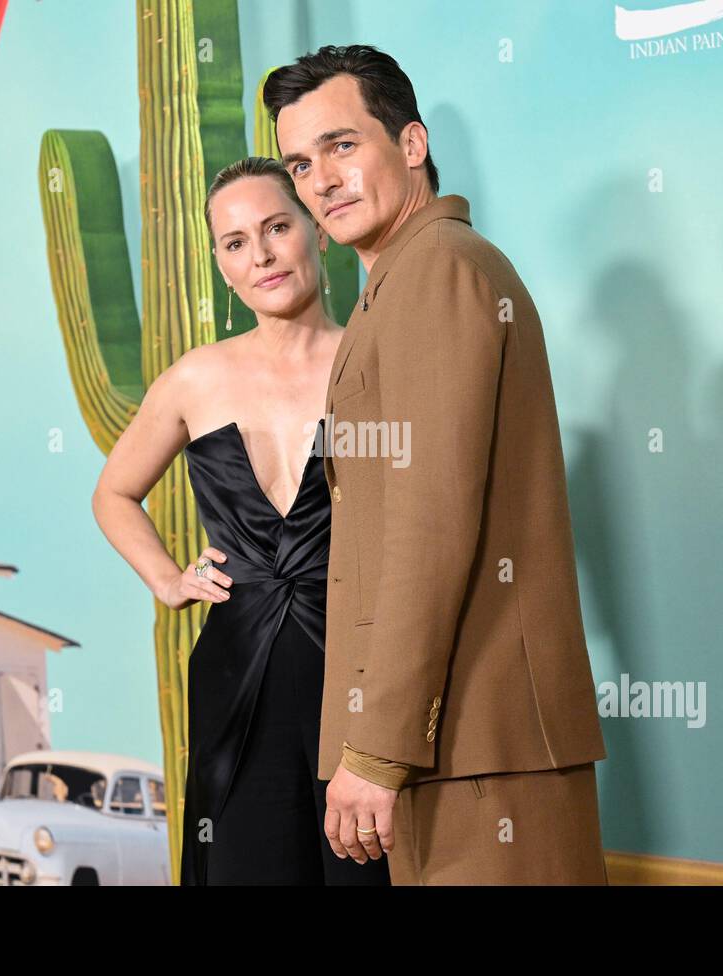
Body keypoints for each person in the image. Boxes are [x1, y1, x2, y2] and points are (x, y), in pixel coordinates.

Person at [263, 44, 610, 884]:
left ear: (411, 144)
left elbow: (431, 524)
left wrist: (375, 749)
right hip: (455, 744)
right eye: (301, 163)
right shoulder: (406, 281)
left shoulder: (437, 271)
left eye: (343, 146)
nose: (321, 181)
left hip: (479, 744)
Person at [91, 156, 389, 886]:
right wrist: (166, 580)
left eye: (276, 227)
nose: (259, 255)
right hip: (235, 680)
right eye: (234, 243)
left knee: (366, 871)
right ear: (222, 268)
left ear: (316, 231)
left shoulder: (373, 362)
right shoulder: (196, 377)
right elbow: (113, 493)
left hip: (357, 673)